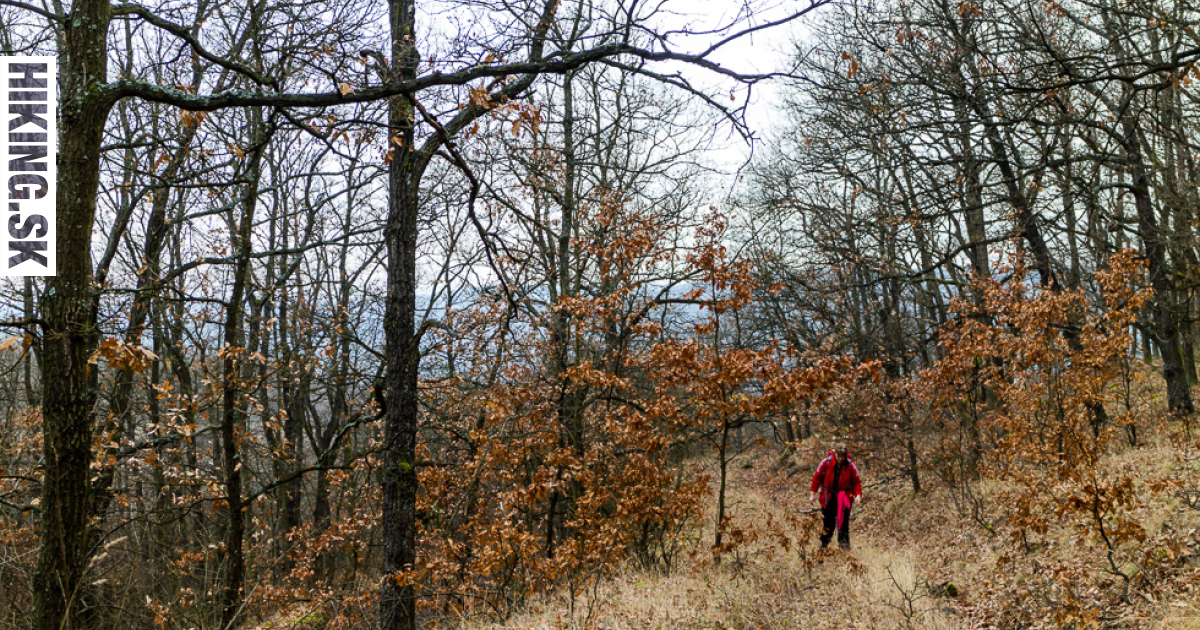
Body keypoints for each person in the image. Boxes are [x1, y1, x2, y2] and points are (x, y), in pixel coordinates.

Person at [809, 443, 862, 550]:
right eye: (839, 456)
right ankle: (823, 546)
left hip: (844, 496)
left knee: (843, 524)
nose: (840, 459)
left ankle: (845, 548)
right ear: (835, 454)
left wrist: (858, 495)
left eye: (843, 456)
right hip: (828, 497)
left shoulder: (850, 465)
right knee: (828, 523)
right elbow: (817, 477)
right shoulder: (826, 462)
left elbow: (856, 481)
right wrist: (812, 494)